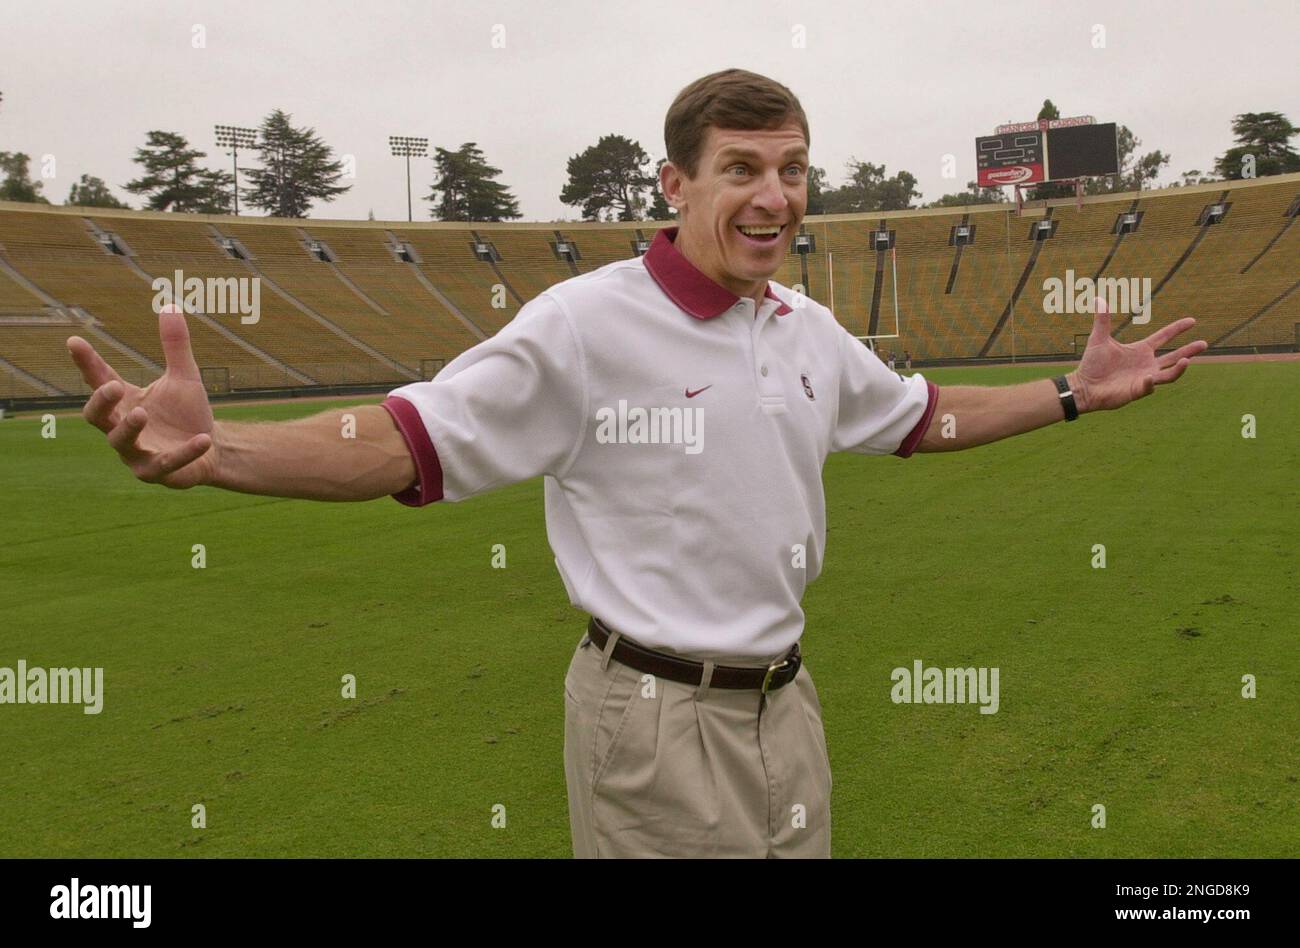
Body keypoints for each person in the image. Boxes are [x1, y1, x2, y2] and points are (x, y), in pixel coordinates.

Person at [65, 68, 1206, 858]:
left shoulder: (800, 327)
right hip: (653, 717)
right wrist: (221, 456)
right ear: (675, 184)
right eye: (742, 168)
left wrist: (1070, 393)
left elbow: (920, 416)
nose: (774, 196)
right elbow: (403, 441)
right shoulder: (581, 326)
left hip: (786, 704)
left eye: (793, 169)